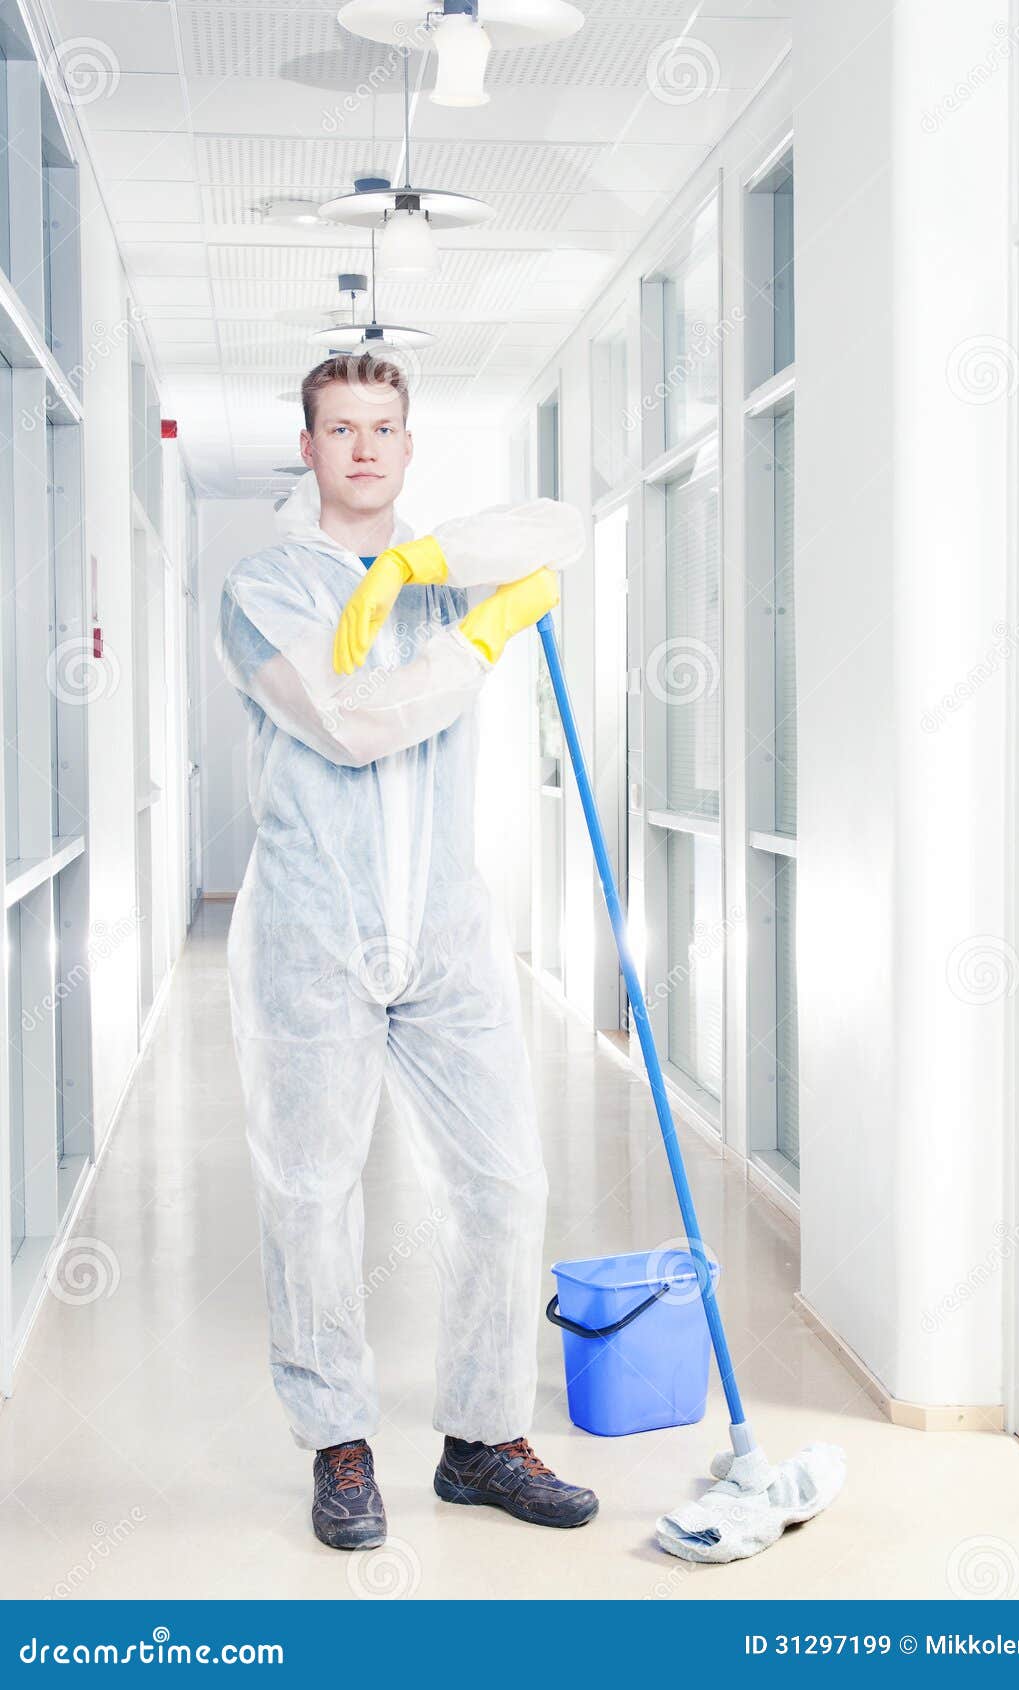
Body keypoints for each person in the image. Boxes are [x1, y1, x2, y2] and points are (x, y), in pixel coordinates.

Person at [214, 352, 599, 1550]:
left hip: (444, 931)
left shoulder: (437, 578)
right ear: (311, 446)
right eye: (341, 428)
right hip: (311, 934)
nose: (365, 448)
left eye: (385, 426)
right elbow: (351, 725)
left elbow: (563, 529)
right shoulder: (263, 586)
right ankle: (338, 1443)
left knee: (503, 1180)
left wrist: (435, 573)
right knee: (312, 1193)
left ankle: (482, 1438)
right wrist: (483, 639)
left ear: (408, 444)